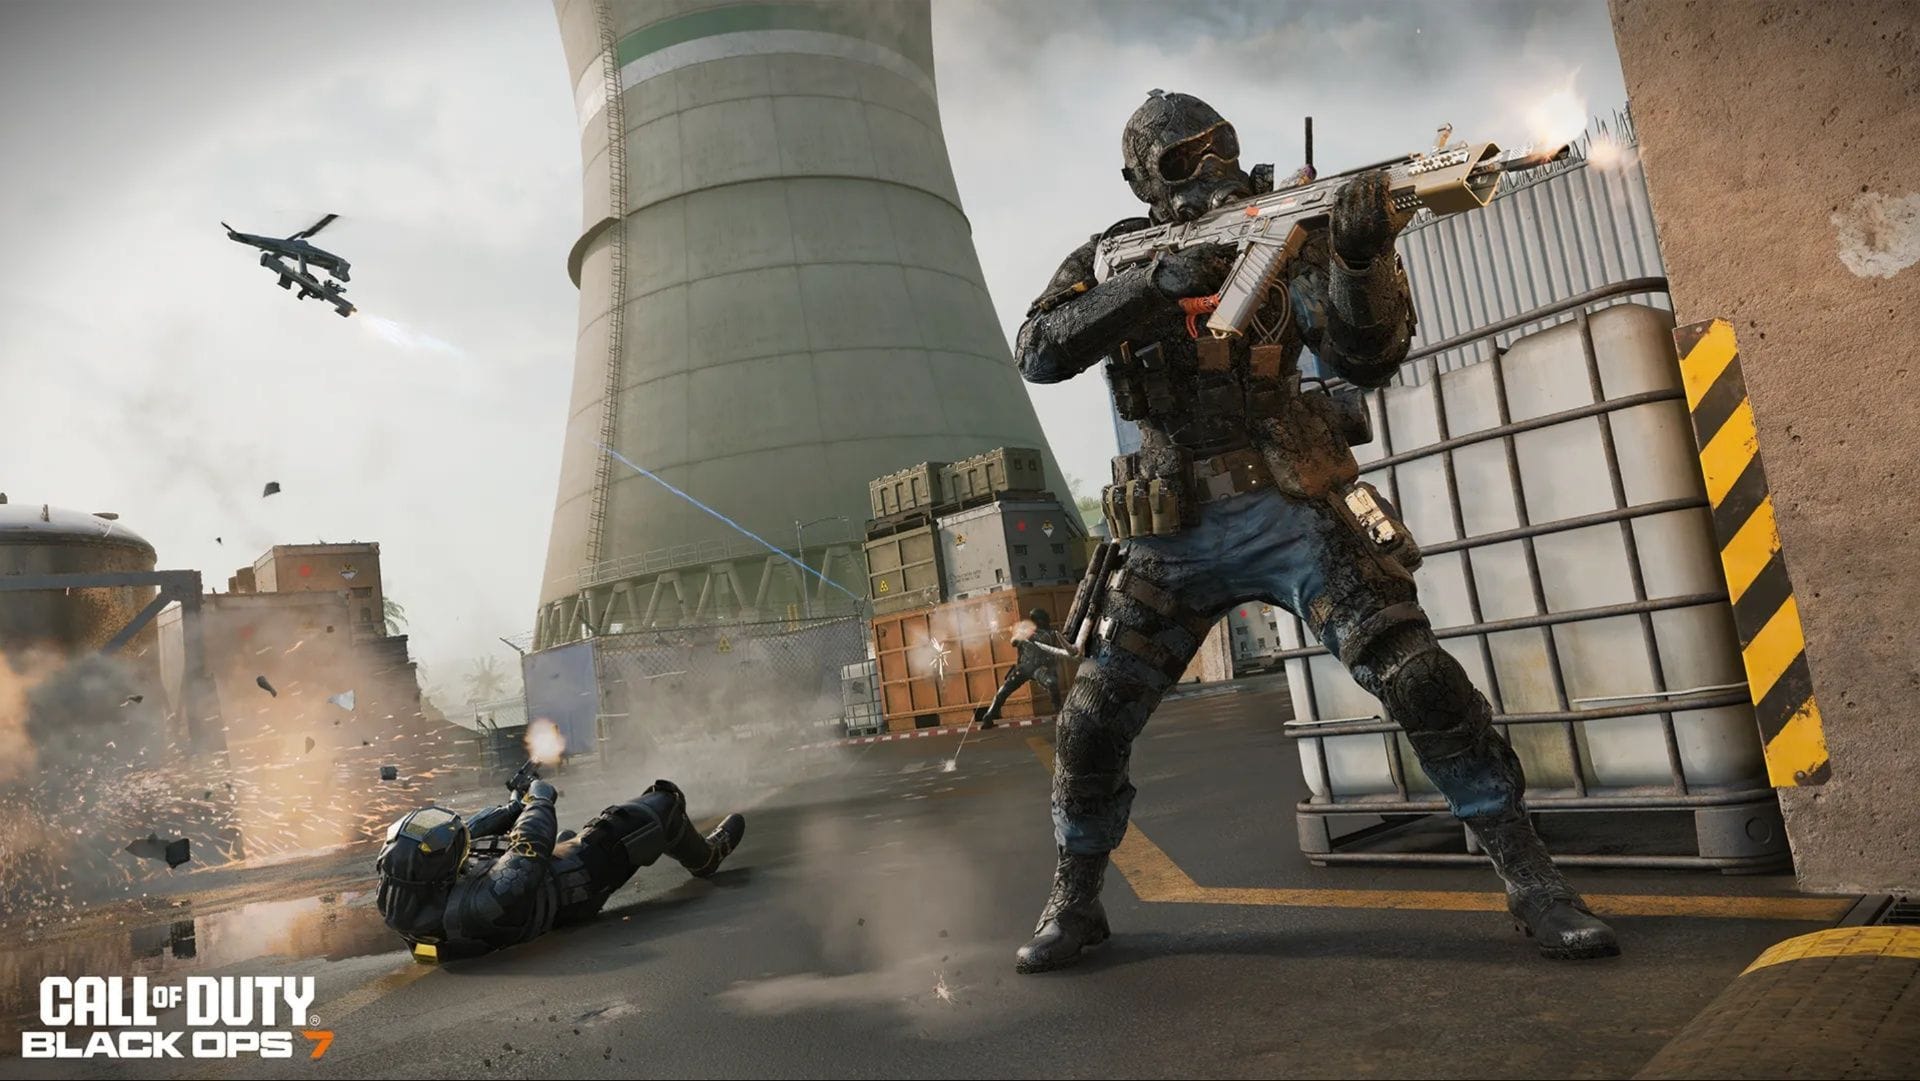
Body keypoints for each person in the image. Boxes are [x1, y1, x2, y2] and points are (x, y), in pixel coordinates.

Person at [1009, 89, 1619, 973]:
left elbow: (1366, 358)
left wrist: (1360, 255)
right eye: (1182, 159)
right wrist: (1150, 285)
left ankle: (1533, 881)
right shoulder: (1110, 254)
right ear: (1142, 182)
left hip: (1286, 503)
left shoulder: (1289, 230)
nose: (1212, 167)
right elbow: (1038, 348)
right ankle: (1075, 898)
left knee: (1419, 677)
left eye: (1221, 144)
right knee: (1092, 720)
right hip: (1170, 529)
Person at [375, 775, 745, 960]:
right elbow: (529, 848)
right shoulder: (480, 904)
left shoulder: (404, 894)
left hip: (535, 890)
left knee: (567, 835)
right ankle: (707, 858)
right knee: (660, 806)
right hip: (576, 883)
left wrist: (513, 806)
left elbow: (468, 833)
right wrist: (539, 798)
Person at [976, 609, 1079, 729]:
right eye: (1044, 619)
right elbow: (1013, 642)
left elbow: (1045, 640)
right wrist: (1019, 634)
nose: (1047, 621)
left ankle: (1059, 711)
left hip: (1039, 668)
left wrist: (1029, 635)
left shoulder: (1050, 633)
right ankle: (989, 716)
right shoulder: (1025, 631)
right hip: (1024, 668)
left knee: (1051, 682)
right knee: (1003, 691)